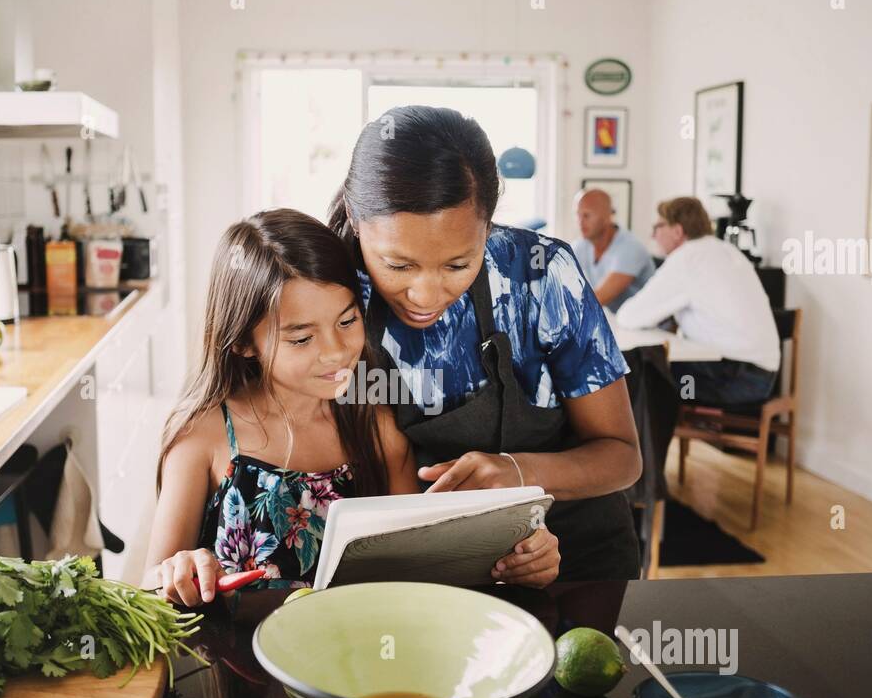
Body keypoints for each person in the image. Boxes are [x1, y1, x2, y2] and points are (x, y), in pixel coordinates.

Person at [144, 209, 562, 605]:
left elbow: (421, 569)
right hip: (241, 670)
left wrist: (517, 559)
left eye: (347, 322)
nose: (335, 352)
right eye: (301, 338)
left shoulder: (375, 420)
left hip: (358, 664)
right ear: (242, 343)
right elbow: (151, 586)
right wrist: (176, 572)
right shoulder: (202, 435)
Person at [327, 105, 643, 582]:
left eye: (457, 264)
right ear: (354, 215)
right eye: (398, 266)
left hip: (576, 556)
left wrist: (517, 472)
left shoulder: (541, 274)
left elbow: (622, 456)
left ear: (488, 223)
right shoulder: (328, 294)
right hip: (417, 566)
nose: (426, 296)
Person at [616, 197, 780, 406]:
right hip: (760, 378)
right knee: (653, 371)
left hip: (731, 381)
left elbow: (629, 317)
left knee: (645, 375)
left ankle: (638, 438)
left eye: (658, 226)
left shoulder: (688, 258)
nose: (653, 235)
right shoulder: (725, 250)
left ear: (677, 230)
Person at [571, 188, 655, 312]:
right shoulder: (582, 246)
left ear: (607, 216)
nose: (580, 222)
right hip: (618, 322)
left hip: (649, 326)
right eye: (578, 215)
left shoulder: (630, 248)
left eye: (586, 215)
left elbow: (599, 299)